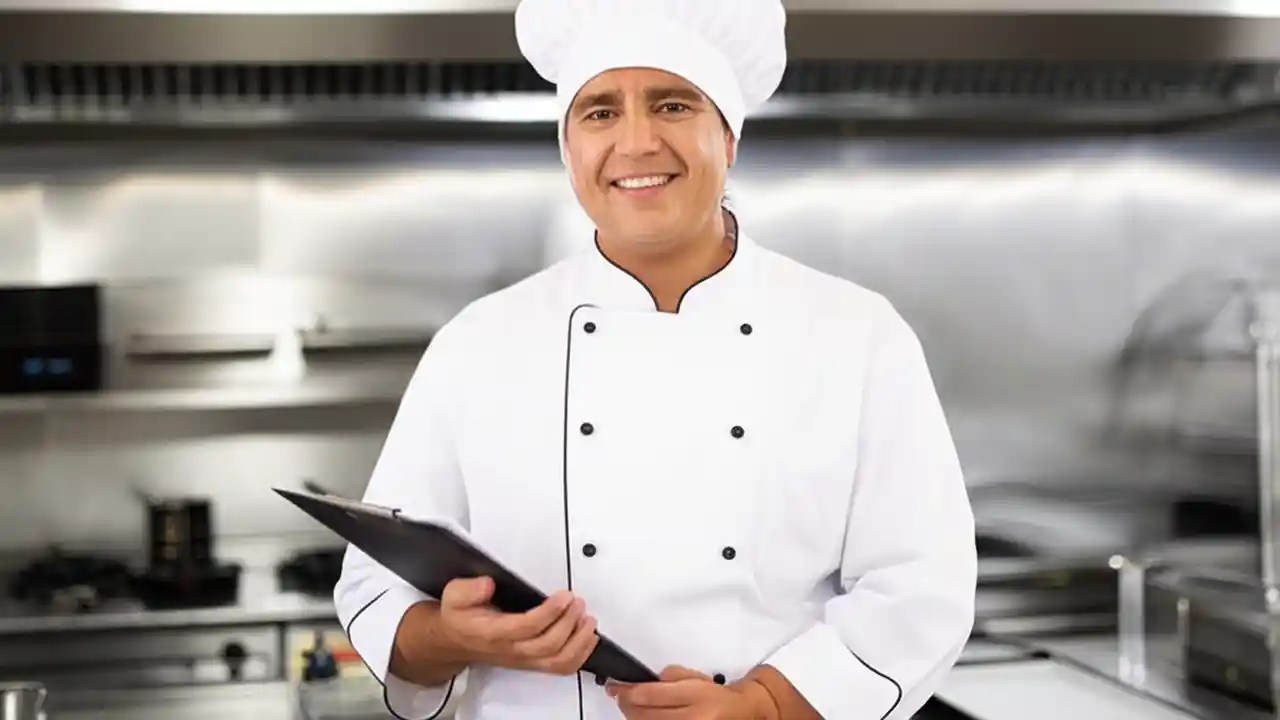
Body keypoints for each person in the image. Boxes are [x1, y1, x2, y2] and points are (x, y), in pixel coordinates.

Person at [334, 0, 977, 718]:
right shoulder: (478, 344)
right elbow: (375, 591)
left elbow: (920, 588)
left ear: (728, 138)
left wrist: (761, 706)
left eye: (672, 104)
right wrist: (453, 636)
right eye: (600, 112)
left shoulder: (856, 335)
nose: (636, 143)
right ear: (568, 149)